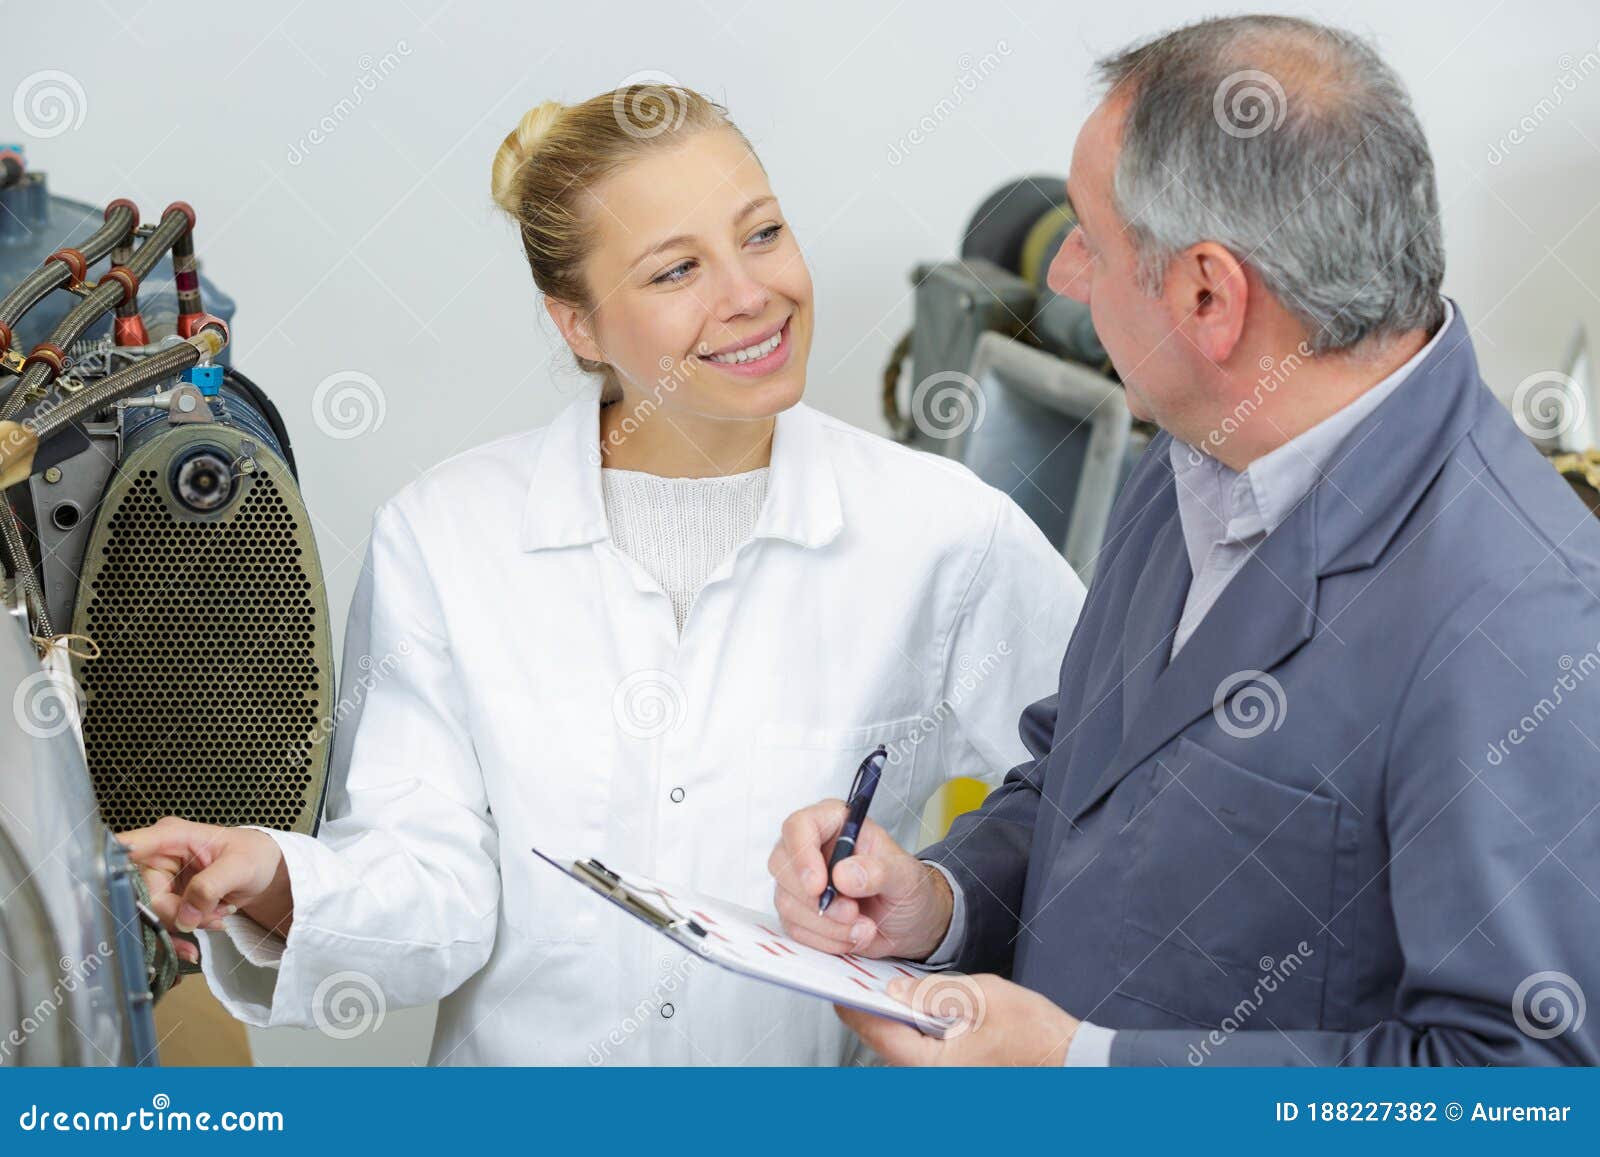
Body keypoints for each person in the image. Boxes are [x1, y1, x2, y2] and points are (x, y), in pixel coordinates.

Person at [115, 84, 1085, 1066]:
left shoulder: (941, 530)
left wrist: (936, 895)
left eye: (763, 234)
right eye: (676, 270)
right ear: (578, 324)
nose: (750, 293)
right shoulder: (447, 536)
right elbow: (431, 886)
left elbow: (1102, 806)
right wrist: (275, 875)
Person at [770, 15, 1600, 1066]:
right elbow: (1084, 785)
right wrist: (936, 904)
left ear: (1209, 296)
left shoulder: (1523, 613)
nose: (1065, 273)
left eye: (1090, 238)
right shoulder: (1201, 451)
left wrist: (1085, 1067)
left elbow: (1519, 1094)